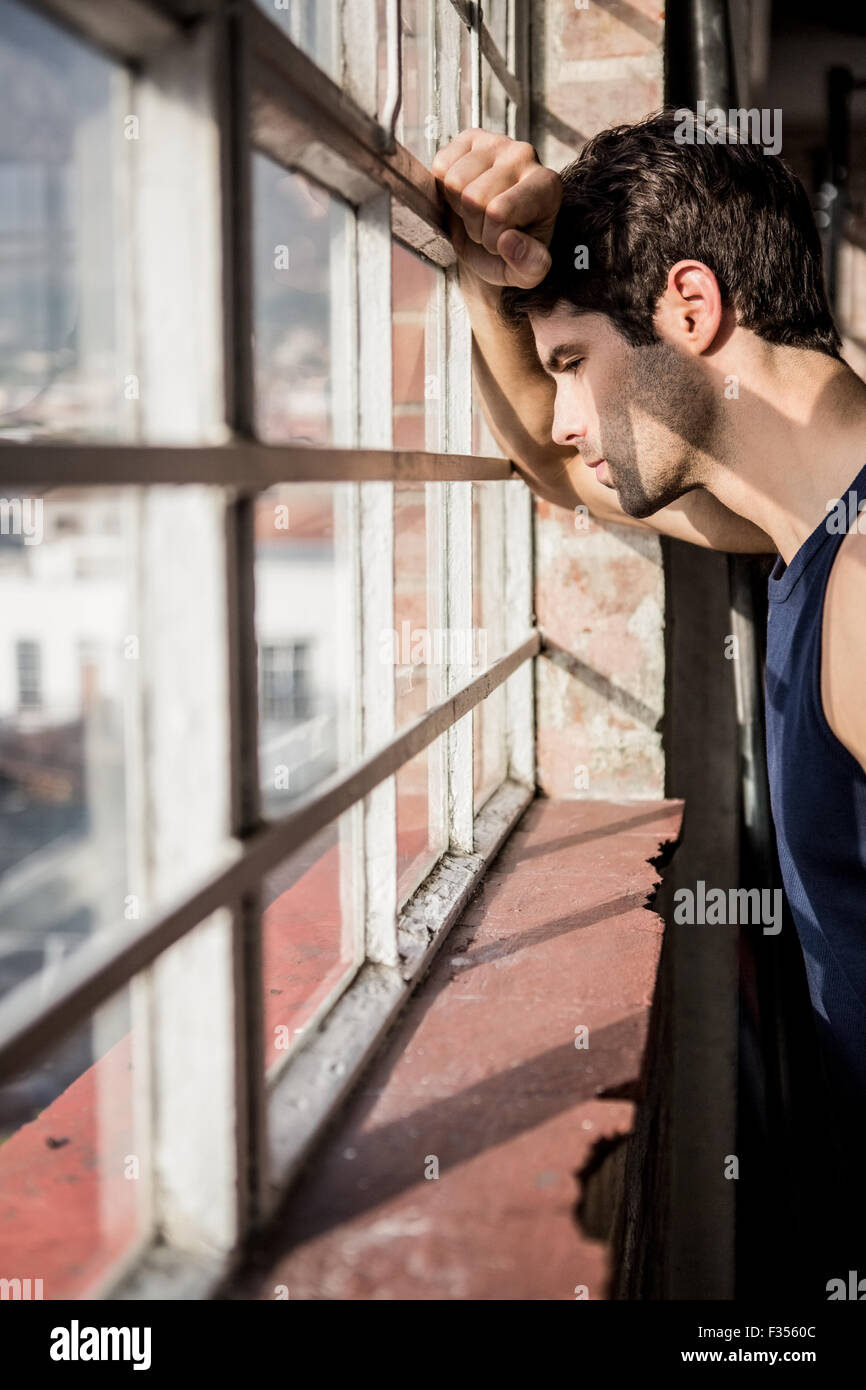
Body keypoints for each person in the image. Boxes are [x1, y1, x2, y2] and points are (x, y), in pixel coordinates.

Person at [431, 107, 866, 1282]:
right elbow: (551, 449)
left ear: (689, 305)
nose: (566, 411)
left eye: (574, 363)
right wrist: (494, 280)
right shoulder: (788, 521)